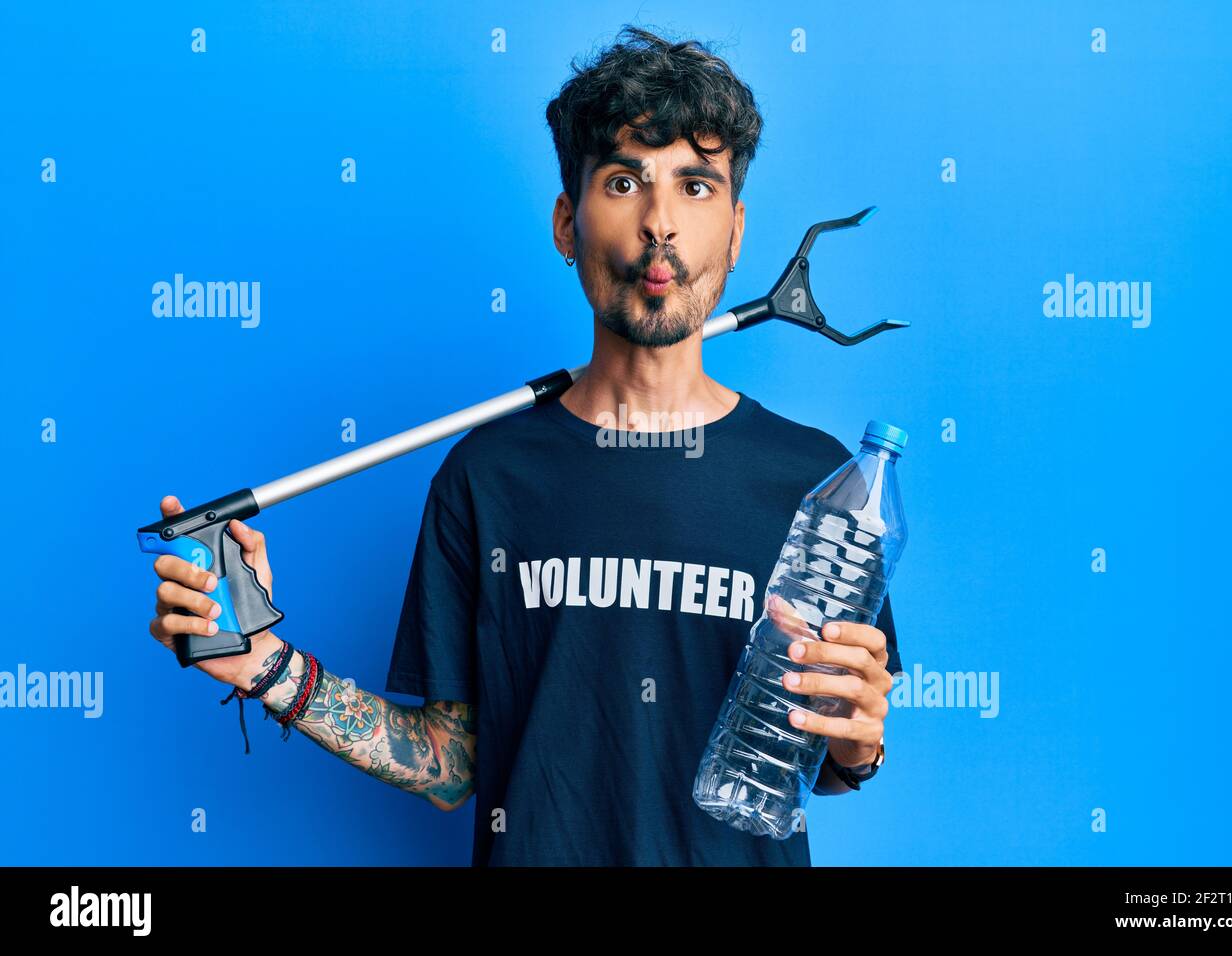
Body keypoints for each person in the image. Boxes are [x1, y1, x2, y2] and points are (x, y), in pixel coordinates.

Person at [148, 25, 900, 866]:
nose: (659, 224)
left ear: (734, 230)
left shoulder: (819, 483)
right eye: (624, 181)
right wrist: (265, 665)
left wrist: (857, 744)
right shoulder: (486, 474)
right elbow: (449, 766)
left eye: (696, 185)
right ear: (566, 224)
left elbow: (820, 758)